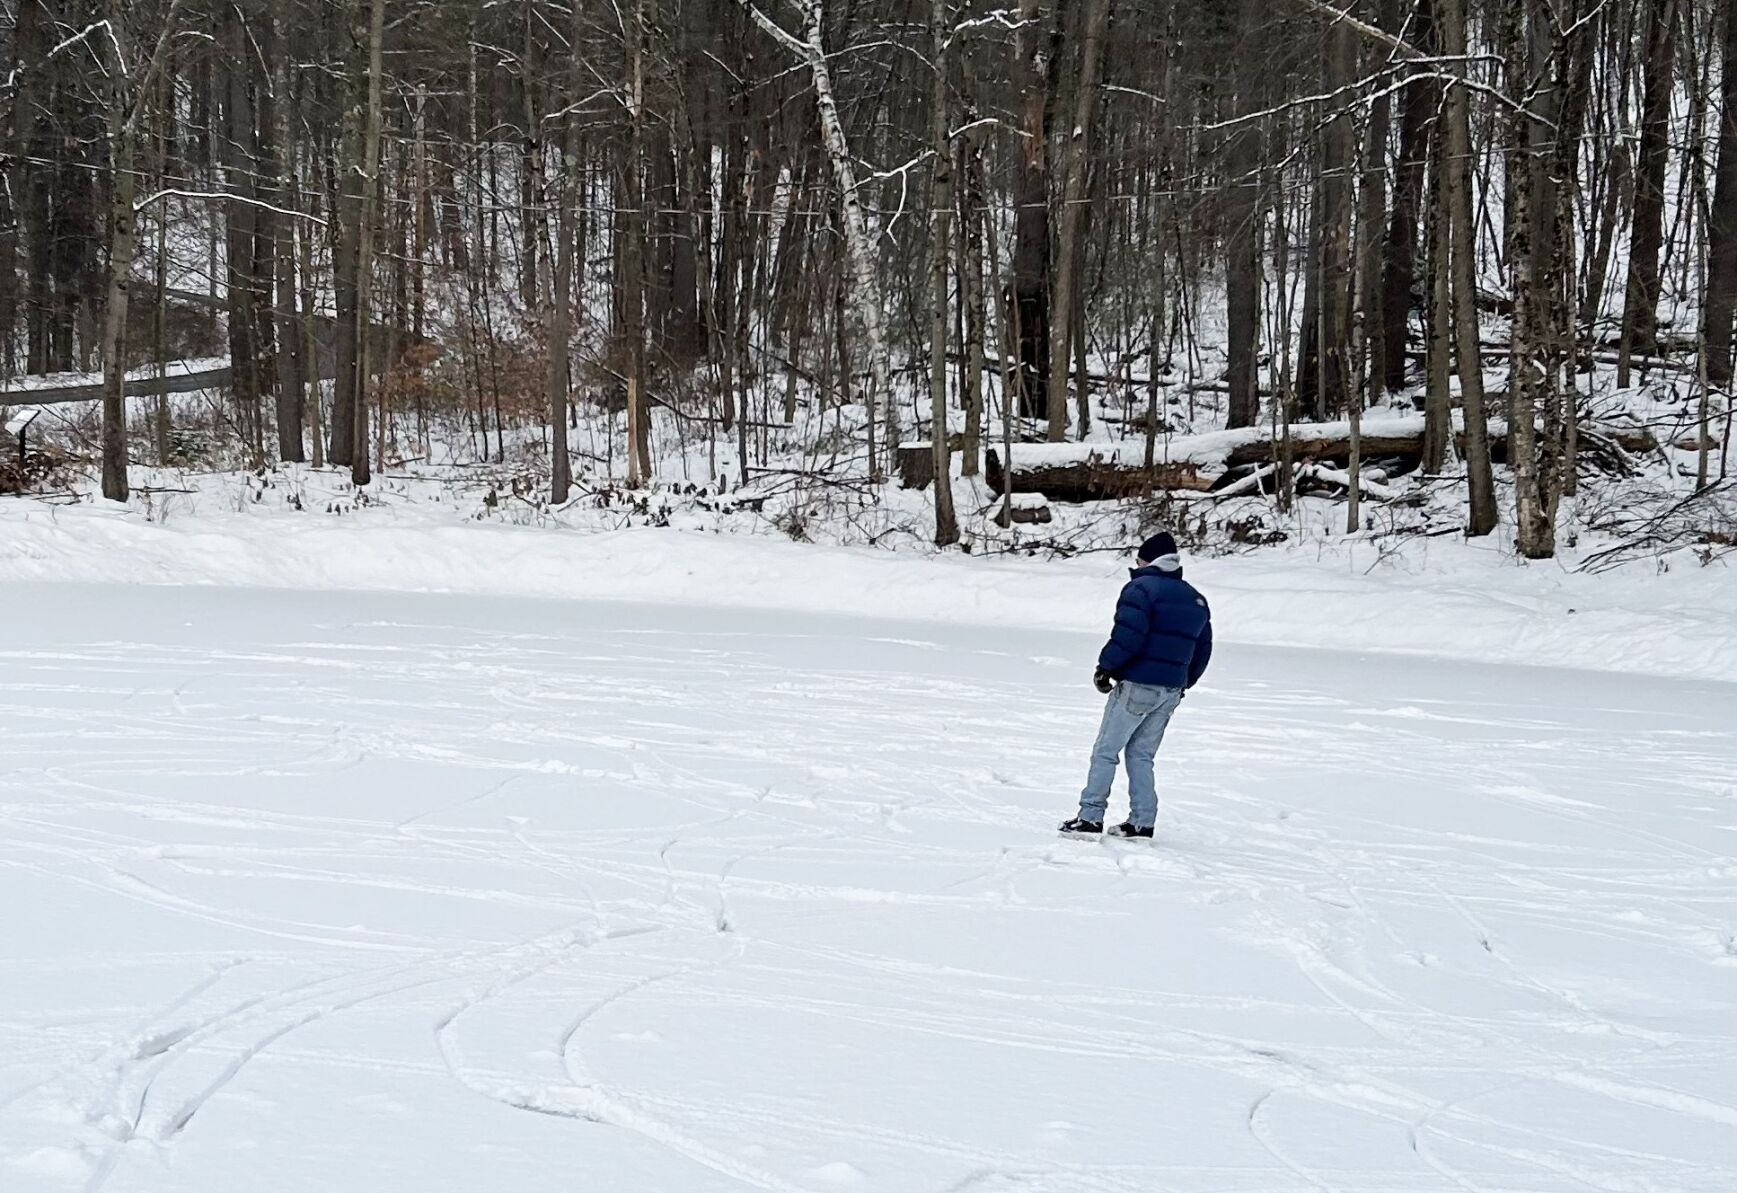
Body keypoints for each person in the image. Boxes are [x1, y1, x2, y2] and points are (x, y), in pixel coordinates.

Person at [1059, 532, 1212, 839]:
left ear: (1147, 560)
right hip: (1171, 690)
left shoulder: (1140, 588)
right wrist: (1183, 683)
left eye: (1139, 559)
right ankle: (1142, 821)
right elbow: (1203, 648)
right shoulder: (1195, 597)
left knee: (1106, 750)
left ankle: (1090, 817)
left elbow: (1128, 635)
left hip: (1138, 684)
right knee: (1141, 755)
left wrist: (1106, 668)